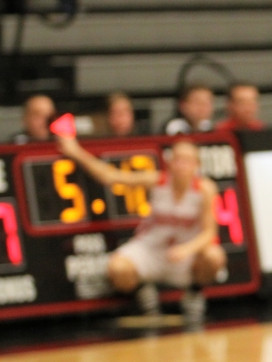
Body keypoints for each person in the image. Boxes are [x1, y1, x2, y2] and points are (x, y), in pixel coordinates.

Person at [53, 136, 226, 324]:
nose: (182, 165)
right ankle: (143, 290)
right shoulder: (157, 181)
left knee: (214, 257)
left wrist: (186, 249)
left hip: (185, 254)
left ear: (196, 165)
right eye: (178, 159)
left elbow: (210, 232)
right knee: (117, 269)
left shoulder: (205, 189)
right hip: (152, 250)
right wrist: (76, 151)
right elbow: (111, 177)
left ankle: (194, 292)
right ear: (169, 162)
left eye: (187, 160)